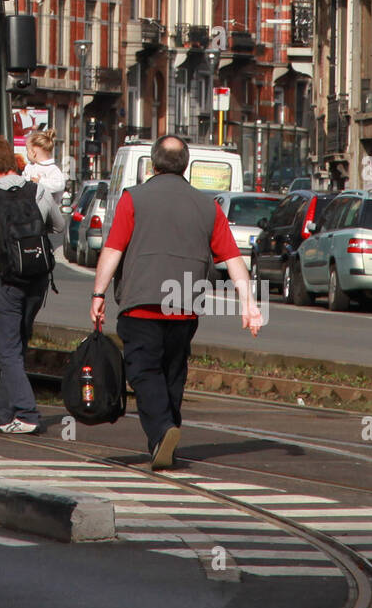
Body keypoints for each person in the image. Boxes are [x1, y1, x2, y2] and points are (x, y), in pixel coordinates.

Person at [89, 135, 262, 470]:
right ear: (186, 166)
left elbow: (113, 250)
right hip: (184, 305)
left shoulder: (133, 199)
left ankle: (163, 430)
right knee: (172, 371)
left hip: (141, 303)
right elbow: (233, 258)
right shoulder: (207, 206)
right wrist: (249, 304)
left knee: (143, 370)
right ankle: (167, 439)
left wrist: (98, 293)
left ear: (153, 164)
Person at [0, 136, 67, 435]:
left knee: (6, 350)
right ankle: (4, 411)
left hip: (5, 278)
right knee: (16, 345)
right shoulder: (39, 190)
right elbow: (58, 226)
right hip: (37, 279)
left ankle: (28, 414)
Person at [22, 128, 65, 204]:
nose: (26, 153)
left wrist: (40, 182)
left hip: (48, 210)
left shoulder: (52, 169)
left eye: (27, 150)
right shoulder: (29, 167)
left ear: (33, 153)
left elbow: (59, 185)